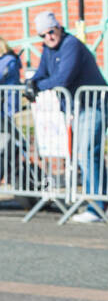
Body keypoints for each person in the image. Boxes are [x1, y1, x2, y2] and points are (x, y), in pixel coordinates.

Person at [23, 11, 108, 223]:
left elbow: (62, 78)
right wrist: (32, 83)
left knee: (87, 154)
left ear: (59, 28)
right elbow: (42, 73)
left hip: (92, 105)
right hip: (75, 108)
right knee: (86, 155)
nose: (48, 38)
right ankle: (97, 202)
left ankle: (96, 206)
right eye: (42, 35)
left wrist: (39, 87)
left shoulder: (71, 45)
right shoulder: (48, 49)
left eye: (51, 32)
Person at [0, 38, 45, 210]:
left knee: (8, 151)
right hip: (6, 116)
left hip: (7, 115)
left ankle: (32, 190)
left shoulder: (8, 61)